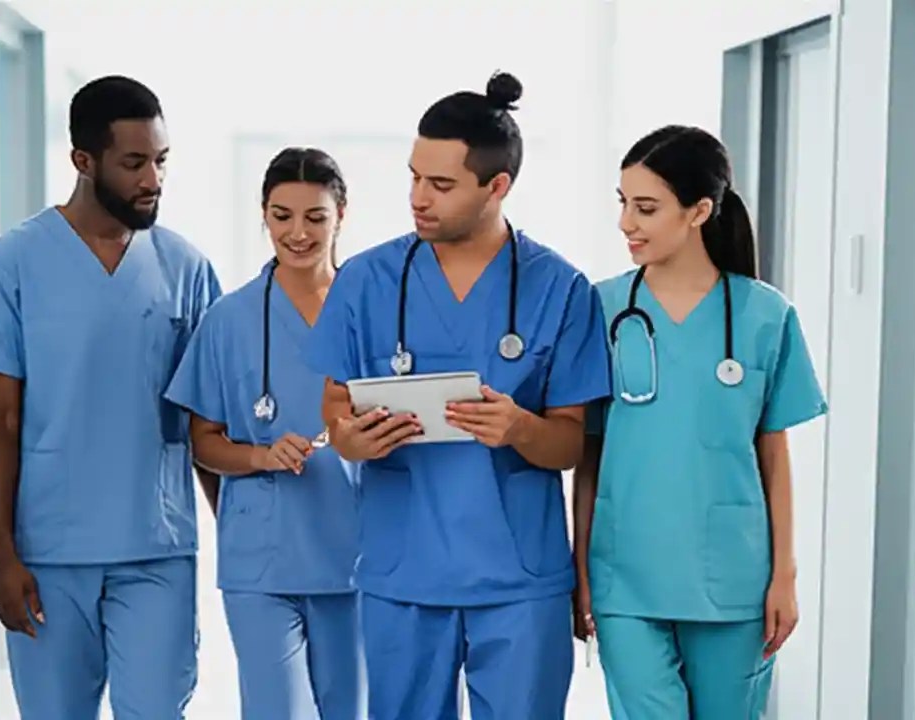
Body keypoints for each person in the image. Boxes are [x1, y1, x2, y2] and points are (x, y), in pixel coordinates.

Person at [305, 71, 611, 720]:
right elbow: (334, 405)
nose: (419, 197)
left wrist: (518, 429)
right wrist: (347, 437)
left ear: (496, 187)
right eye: (414, 176)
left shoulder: (560, 287)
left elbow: (569, 444)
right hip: (403, 571)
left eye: (440, 185)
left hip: (518, 578)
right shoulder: (366, 279)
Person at [0, 75, 221, 719]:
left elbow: (208, 421)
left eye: (160, 160)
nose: (152, 178)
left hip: (156, 546)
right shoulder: (11, 263)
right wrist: (0, 554)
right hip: (48, 552)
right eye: (133, 163)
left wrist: (238, 534)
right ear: (83, 161)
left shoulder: (187, 270)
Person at [572, 125, 828, 719]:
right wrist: (580, 567)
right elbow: (589, 454)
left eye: (646, 207)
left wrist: (783, 575)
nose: (626, 223)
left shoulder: (765, 314)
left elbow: (773, 454)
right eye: (622, 204)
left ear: (700, 211)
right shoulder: (601, 308)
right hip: (625, 576)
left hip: (734, 579)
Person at [164, 147, 366, 720]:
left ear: (341, 215)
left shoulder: (369, 312)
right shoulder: (229, 319)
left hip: (355, 554)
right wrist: (261, 455)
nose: (297, 233)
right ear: (263, 214)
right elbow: (203, 441)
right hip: (263, 560)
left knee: (349, 712)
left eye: (315, 217)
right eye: (282, 216)